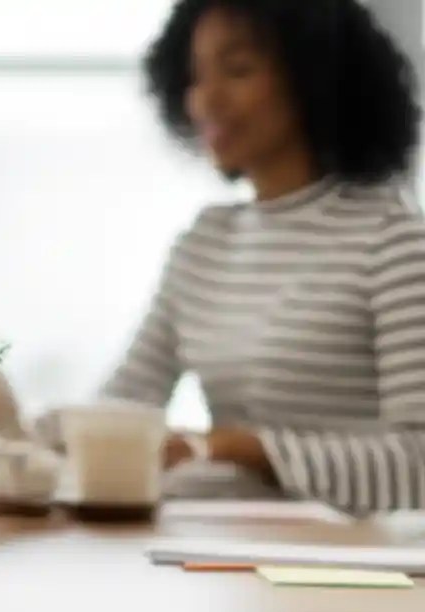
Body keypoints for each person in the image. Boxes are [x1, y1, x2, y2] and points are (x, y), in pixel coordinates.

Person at [100, 0, 425, 513]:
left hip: (354, 572)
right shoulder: (206, 240)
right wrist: (26, 431)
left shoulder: (393, 239)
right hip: (231, 556)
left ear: (314, 78)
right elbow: (125, 403)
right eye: (195, 75)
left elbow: (418, 467)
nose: (207, 99)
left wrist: (239, 447)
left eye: (238, 70)